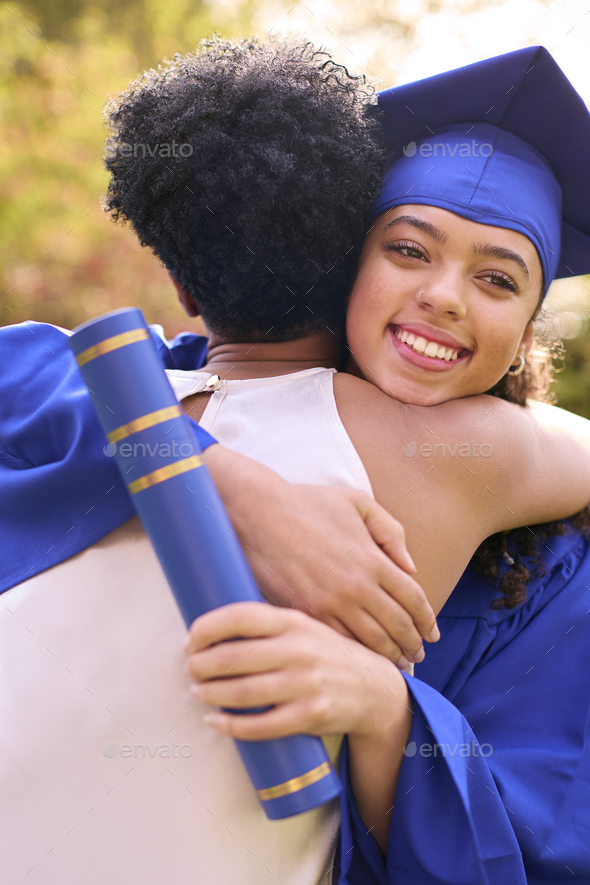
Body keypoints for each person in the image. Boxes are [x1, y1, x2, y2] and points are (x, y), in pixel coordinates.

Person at [2, 38, 589, 884]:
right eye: (409, 249)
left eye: (499, 280)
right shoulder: (160, 388)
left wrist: (387, 714)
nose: (444, 295)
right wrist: (223, 482)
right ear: (343, 267)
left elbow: (546, 835)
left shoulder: (551, 567)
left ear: (527, 332)